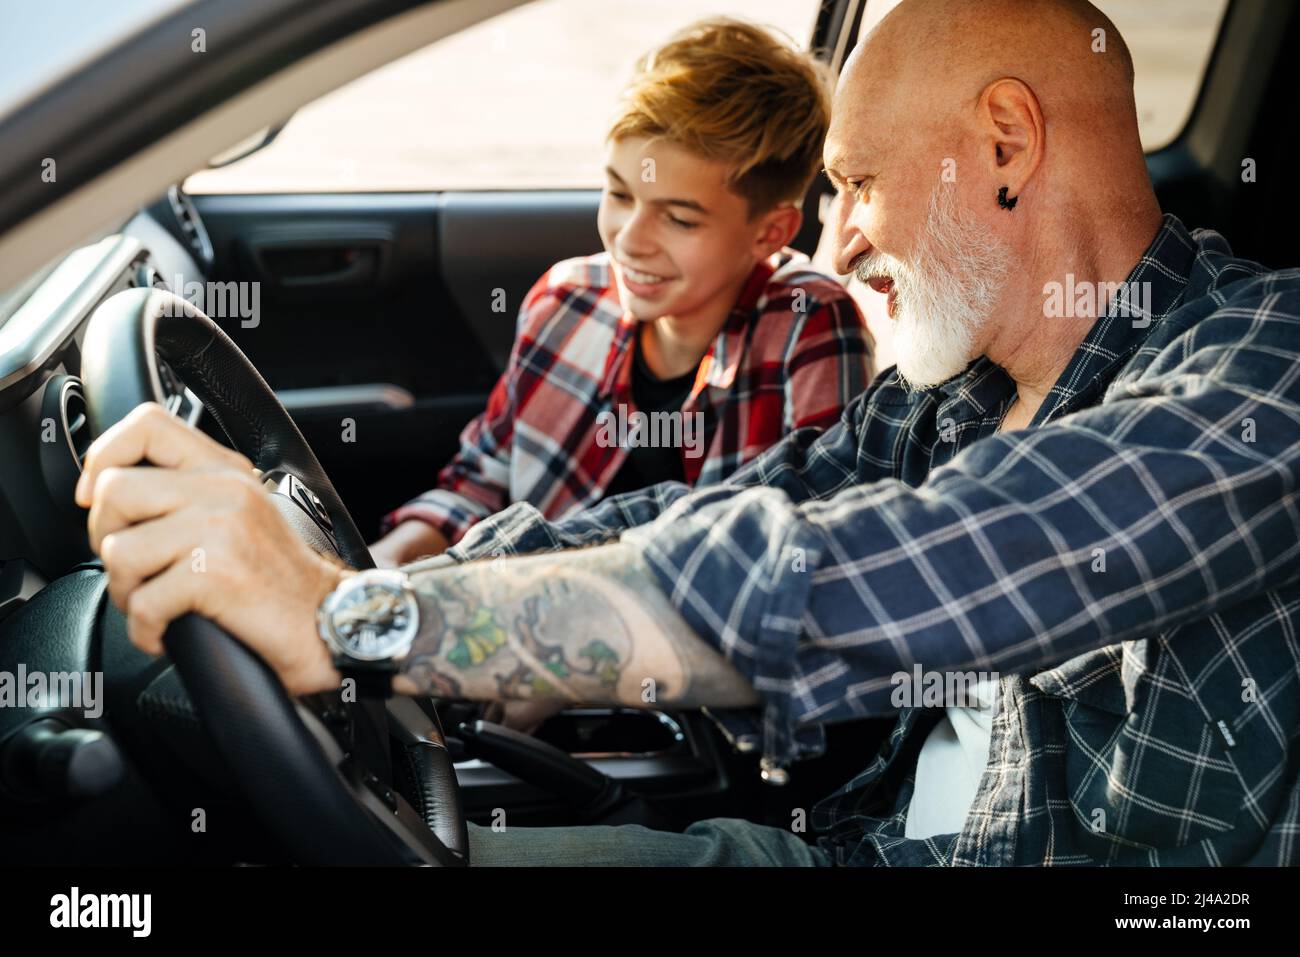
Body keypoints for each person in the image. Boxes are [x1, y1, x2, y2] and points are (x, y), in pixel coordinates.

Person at [81, 0, 1300, 866]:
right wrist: (371, 581)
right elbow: (701, 514)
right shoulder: (957, 392)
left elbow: (871, 576)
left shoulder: (1265, 373)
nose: (836, 248)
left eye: (861, 183)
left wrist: (364, 626)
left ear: (1004, 145)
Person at [369, 18, 873, 570]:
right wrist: (390, 558)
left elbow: (811, 542)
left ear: (770, 233)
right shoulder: (565, 301)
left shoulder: (810, 325)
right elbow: (481, 483)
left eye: (679, 219)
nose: (629, 240)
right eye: (618, 193)